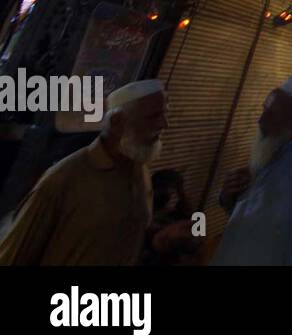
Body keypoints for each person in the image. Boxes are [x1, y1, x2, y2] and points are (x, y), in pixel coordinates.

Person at [0, 79, 167, 266]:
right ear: (117, 121)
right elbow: (13, 254)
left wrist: (158, 236)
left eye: (163, 115)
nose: (164, 124)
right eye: (153, 117)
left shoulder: (139, 171)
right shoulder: (64, 179)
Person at [211, 77, 292, 266]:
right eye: (264, 110)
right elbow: (247, 210)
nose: (261, 120)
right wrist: (228, 196)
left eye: (273, 113)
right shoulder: (266, 150)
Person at [142, 169, 203, 266]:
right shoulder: (144, 219)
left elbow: (197, 224)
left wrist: (181, 191)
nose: (166, 195)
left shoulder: (176, 215)